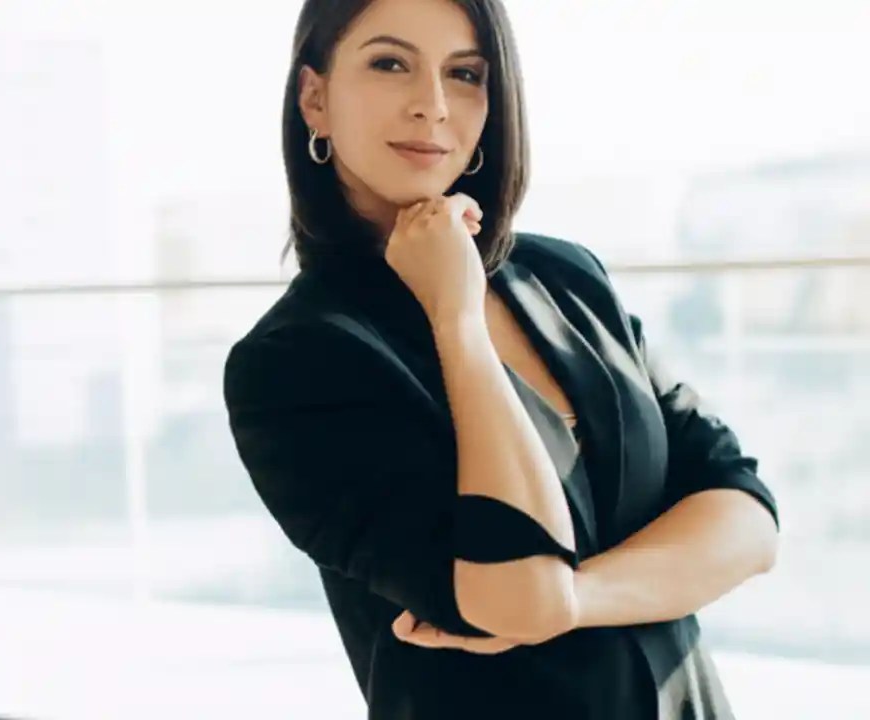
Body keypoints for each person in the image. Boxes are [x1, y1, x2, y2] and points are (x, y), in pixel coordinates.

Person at [221, 0, 782, 717]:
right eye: (390, 64)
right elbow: (516, 587)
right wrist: (457, 321)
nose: (431, 105)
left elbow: (747, 516)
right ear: (315, 99)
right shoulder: (293, 364)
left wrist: (575, 600)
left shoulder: (569, 276)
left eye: (465, 73)